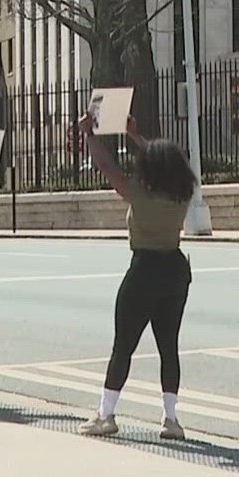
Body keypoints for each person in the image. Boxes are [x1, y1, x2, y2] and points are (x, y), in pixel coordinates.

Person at [73, 113, 197, 440]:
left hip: (144, 270)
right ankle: (171, 419)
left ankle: (106, 414)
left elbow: (108, 168)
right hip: (175, 270)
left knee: (123, 345)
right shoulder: (182, 194)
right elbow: (169, 163)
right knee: (168, 347)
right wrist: (135, 135)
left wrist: (89, 135)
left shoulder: (140, 192)